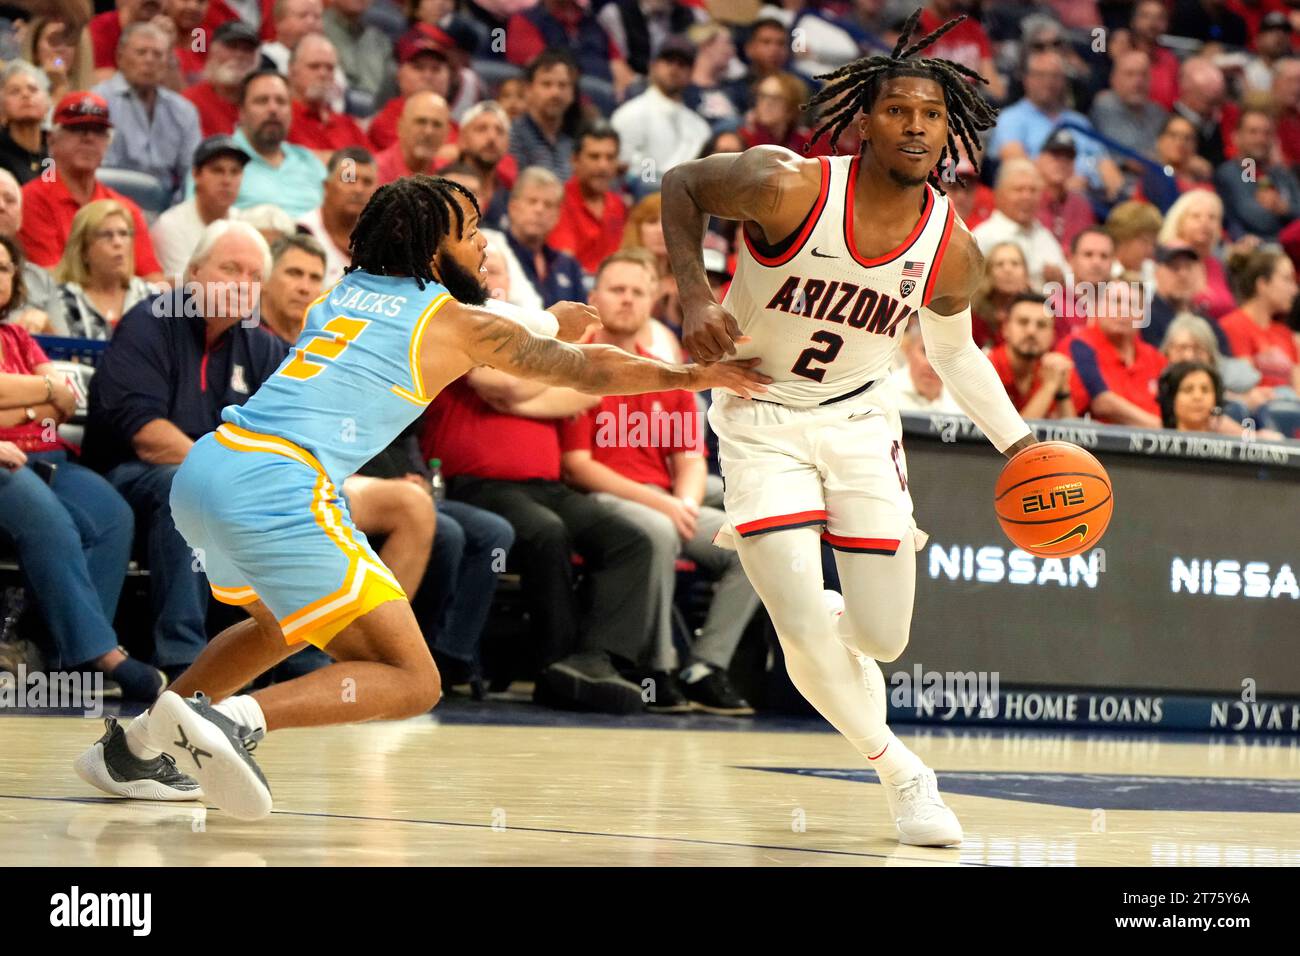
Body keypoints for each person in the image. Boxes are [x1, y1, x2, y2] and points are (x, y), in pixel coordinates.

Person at [73, 175, 767, 818]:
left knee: (280, 626)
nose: (483, 243)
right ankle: (234, 721)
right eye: (470, 232)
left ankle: (135, 749)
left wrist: (548, 320)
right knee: (412, 679)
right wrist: (694, 372)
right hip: (281, 485)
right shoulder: (456, 321)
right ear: (434, 247)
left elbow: (474, 320)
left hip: (211, 469)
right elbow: (590, 368)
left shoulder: (342, 294)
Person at [661, 10, 1041, 847]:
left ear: (951, 133)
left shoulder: (953, 248)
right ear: (864, 119)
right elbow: (683, 185)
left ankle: (841, 626)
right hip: (761, 415)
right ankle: (902, 771)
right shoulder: (786, 184)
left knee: (883, 638)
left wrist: (1021, 443)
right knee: (797, 617)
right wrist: (693, 294)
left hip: (863, 420)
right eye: (898, 109)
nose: (915, 125)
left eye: (932, 115)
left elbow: (957, 352)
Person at [80, 221, 288, 682]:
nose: (241, 284)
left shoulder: (264, 346)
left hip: (220, 483)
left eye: (253, 277)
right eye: (230, 268)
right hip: (126, 477)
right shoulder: (151, 321)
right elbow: (146, 434)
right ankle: (183, 657)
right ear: (193, 273)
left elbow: (286, 435)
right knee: (185, 485)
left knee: (293, 496)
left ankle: (292, 656)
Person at [559, 250, 759, 716]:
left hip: (665, 501)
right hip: (598, 499)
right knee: (660, 528)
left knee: (754, 542)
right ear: (593, 298)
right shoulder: (574, 363)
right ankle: (658, 667)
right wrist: (665, 506)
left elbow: (690, 458)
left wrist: (684, 503)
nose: (627, 300)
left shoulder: (667, 371)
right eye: (616, 290)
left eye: (637, 292)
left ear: (653, 300)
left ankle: (706, 668)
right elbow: (578, 467)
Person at [0, 237, 168, 702]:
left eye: (4, 269)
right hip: (3, 462)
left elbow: (69, 400)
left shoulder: (18, 337)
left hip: (47, 456)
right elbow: (50, 389)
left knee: (113, 515)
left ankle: (55, 659)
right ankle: (104, 656)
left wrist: (26, 407)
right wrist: (41, 391)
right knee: (54, 522)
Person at [18, 92, 165, 282]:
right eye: (77, 129)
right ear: (52, 140)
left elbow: (153, 277)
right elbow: (50, 279)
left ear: (107, 143)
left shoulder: (126, 208)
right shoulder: (32, 199)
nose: (89, 138)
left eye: (98, 131)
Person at [94, 21, 203, 202]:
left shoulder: (184, 110)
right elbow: (100, 172)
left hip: (167, 210)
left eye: (158, 54)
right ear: (120, 57)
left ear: (168, 62)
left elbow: (193, 172)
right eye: (141, 52)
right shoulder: (99, 101)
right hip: (109, 203)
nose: (149, 60)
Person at [611, 37, 712, 194]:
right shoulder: (631, 113)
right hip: (646, 192)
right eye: (668, 61)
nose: (675, 68)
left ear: (691, 73)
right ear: (653, 66)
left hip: (687, 196)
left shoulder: (700, 127)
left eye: (682, 64)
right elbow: (626, 166)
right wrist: (653, 180)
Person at [1060, 281, 1167, 427]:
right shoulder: (1079, 345)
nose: (1122, 310)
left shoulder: (1155, 357)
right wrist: (1160, 428)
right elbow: (1102, 402)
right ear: (1097, 308)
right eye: (1115, 302)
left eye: (1131, 305)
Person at [228, 70, 328, 218]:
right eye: (262, 101)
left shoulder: (309, 161)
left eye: (281, 101)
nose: (273, 109)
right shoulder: (218, 159)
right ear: (241, 111)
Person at [52, 199, 157, 339]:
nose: (118, 243)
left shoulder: (150, 296)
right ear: (83, 250)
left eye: (124, 234)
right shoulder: (61, 300)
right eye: (107, 235)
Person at [150, 135, 251, 278]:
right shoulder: (170, 226)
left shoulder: (245, 224)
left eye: (235, 172)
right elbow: (184, 291)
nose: (227, 180)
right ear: (196, 175)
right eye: (217, 170)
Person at [971, 158, 1067, 288]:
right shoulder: (983, 236)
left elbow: (1069, 279)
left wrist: (1059, 279)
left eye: (1033, 190)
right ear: (999, 195)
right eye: (1019, 190)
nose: (1027, 197)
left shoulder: (1045, 236)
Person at [548, 125, 627, 276]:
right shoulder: (558, 202)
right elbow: (565, 267)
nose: (603, 165)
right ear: (575, 160)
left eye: (610, 157)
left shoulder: (619, 205)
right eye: (594, 156)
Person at [1219, 245, 1300, 393]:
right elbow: (1245, 385)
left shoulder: (1284, 332)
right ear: (1262, 284)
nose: (1294, 290)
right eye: (1287, 279)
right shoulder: (1232, 326)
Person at [297, 147, 378, 284]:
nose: (358, 189)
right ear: (327, 186)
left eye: (367, 182)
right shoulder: (302, 232)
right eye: (349, 180)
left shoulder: (380, 238)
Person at [989, 292, 1076, 419]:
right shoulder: (986, 366)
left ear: (1053, 335)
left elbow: (1072, 434)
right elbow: (1013, 436)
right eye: (1023, 322)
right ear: (1005, 329)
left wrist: (1062, 390)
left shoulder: (1050, 369)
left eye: (1041, 325)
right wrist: (1049, 387)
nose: (1031, 331)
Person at [373, 92, 450, 185]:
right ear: (400, 127)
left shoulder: (449, 177)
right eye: (421, 122)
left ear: (446, 133)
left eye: (437, 124)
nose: (428, 131)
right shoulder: (372, 173)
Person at [969, 240, 1030, 349]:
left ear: (1025, 273)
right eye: (1000, 264)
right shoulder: (973, 315)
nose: (1007, 270)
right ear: (988, 272)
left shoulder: (1039, 309)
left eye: (1015, 264)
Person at [0, 62, 53, 186]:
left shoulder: (57, 150)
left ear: (47, 103)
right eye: (15, 91)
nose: (26, 95)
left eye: (33, 89)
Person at [1156, 361, 1225, 432]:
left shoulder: (1230, 442)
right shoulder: (1151, 441)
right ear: (1171, 398)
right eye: (1187, 390)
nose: (1197, 397)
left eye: (1205, 390)